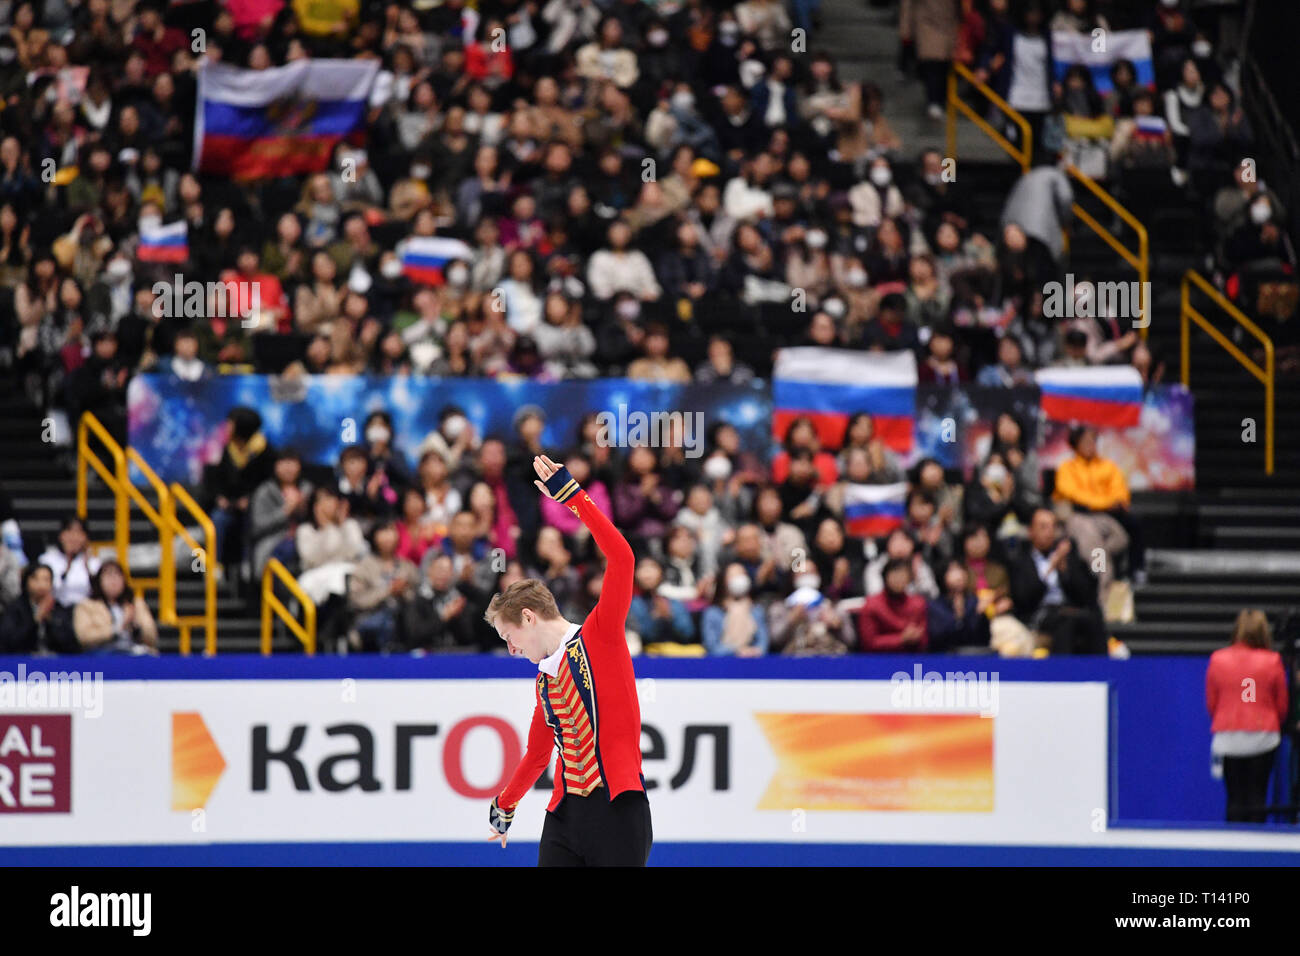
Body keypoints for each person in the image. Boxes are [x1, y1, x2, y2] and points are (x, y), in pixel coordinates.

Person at [484, 455, 651, 867]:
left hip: (618, 811)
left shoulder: (601, 634)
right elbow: (538, 755)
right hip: (563, 818)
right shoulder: (544, 682)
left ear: (528, 617)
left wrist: (573, 497)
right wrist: (505, 805)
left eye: (510, 637)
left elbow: (623, 559)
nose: (511, 649)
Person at [1205, 610, 1291, 823]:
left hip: (1228, 736)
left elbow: (1212, 703)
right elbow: (1281, 705)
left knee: (1234, 796)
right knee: (1257, 794)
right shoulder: (1272, 661)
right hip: (1263, 736)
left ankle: (1233, 846)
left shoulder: (1218, 660)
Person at [1053, 425, 1144, 585]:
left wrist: (1100, 505)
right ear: (1076, 444)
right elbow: (1070, 493)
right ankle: (1101, 580)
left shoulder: (1108, 466)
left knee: (1123, 535)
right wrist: (1101, 503)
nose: (1090, 445)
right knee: (1096, 546)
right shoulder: (1067, 467)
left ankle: (1133, 571)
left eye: (1093, 441)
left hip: (1107, 517)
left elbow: (1119, 494)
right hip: (1081, 516)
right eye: (1085, 441)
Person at [1009, 508, 1105, 655]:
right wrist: (1050, 568)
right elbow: (1024, 599)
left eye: (1053, 527)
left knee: (1093, 618)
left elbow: (1086, 594)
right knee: (1065, 621)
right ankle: (1061, 672)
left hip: (1069, 609)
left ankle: (1102, 671)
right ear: (1031, 531)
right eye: (1043, 527)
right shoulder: (1020, 561)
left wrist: (1065, 571)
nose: (1049, 532)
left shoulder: (1068, 556)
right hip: (1039, 614)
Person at [72, 559, 158, 654]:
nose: (113, 581)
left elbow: (152, 637)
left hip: (133, 651)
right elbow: (84, 637)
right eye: (109, 576)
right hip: (102, 654)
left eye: (117, 575)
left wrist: (136, 628)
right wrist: (118, 628)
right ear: (99, 580)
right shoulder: (86, 606)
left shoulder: (136, 604)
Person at [0, 563, 79, 654]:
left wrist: (51, 622)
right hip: (22, 661)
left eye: (46, 580)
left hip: (54, 662)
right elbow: (9, 642)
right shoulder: (15, 609)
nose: (41, 584)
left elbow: (70, 645)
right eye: (35, 579)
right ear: (26, 581)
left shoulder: (59, 608)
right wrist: (36, 619)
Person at [858, 557, 929, 652]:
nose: (898, 579)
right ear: (885, 577)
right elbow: (868, 643)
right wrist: (901, 639)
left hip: (911, 660)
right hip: (879, 661)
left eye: (903, 575)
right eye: (894, 574)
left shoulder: (918, 604)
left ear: (909, 579)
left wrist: (916, 638)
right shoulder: (871, 604)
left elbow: (924, 640)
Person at [702, 562, 768, 656]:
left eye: (742, 574)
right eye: (733, 575)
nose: (739, 578)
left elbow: (763, 641)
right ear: (723, 581)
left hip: (752, 662)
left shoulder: (756, 610)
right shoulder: (713, 613)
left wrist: (755, 650)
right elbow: (712, 647)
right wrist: (736, 651)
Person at [40, 517, 101, 607]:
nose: (74, 537)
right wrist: (66, 570)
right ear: (61, 535)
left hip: (86, 612)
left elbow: (99, 593)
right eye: (69, 531)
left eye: (79, 532)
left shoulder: (94, 563)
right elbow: (46, 590)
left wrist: (88, 570)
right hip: (55, 609)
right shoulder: (47, 560)